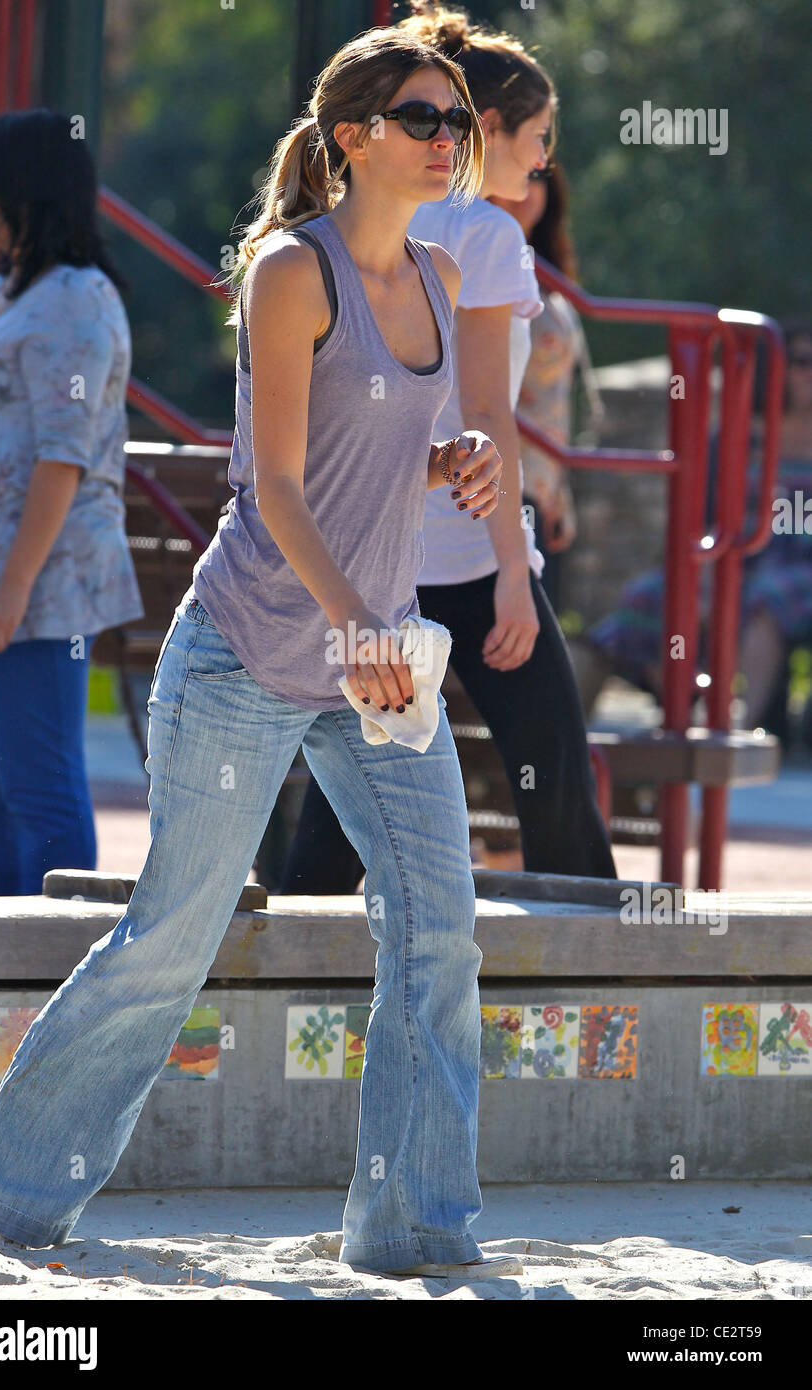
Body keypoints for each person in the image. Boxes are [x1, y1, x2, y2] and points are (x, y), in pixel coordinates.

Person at [0, 30, 523, 1280]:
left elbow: (371, 439)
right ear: (353, 135)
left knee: (440, 930)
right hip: (249, 653)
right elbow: (273, 484)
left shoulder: (435, 275)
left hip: (376, 672)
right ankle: (1, 1196)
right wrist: (358, 625)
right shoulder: (288, 271)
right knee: (171, 939)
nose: (447, 142)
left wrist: (454, 460)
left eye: (459, 125)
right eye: (424, 119)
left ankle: (413, 1224)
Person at [279, 2, 617, 894]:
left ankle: (274, 977)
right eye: (539, 137)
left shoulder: (385, 211)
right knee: (555, 784)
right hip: (461, 553)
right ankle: (601, 984)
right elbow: (486, 416)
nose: (545, 160)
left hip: (368, 547)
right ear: (493, 127)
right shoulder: (487, 233)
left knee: (344, 803)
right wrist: (516, 567)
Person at [0, 109, 143, 895]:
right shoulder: (4, 290)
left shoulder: (75, 300)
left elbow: (65, 451)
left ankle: (50, 986)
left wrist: (14, 589)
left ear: (21, 189)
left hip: (35, 585)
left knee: (37, 789)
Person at [575, 322, 812, 730]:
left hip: (799, 566)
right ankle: (572, 740)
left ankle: (733, 735)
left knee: (769, 600)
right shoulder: (740, 435)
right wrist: (703, 570)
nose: (809, 373)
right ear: (778, 368)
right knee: (648, 596)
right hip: (734, 556)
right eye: (801, 362)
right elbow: (701, 517)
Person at [491, 161, 604, 608]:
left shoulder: (546, 271)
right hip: (492, 479)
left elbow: (559, 399)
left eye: (538, 175)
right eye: (517, 171)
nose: (527, 189)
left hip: (540, 484)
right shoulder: (474, 262)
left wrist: (561, 492)